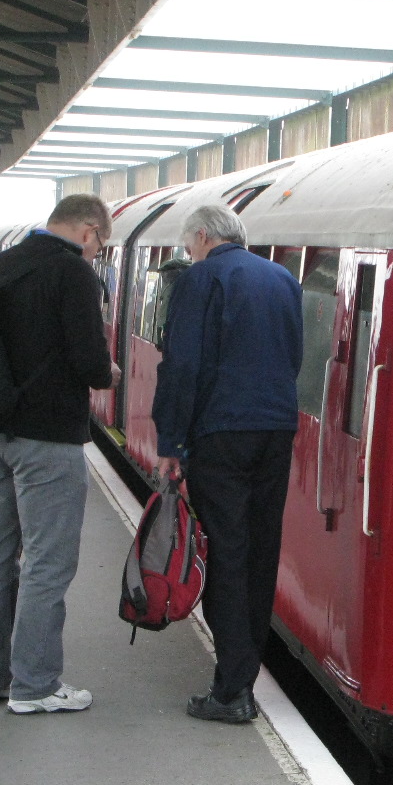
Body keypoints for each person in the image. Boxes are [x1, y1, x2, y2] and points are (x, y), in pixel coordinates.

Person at [152, 203, 302, 724]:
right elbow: (294, 357)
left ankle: (232, 690)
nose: (188, 252)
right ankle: (244, 675)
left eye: (189, 244)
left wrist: (170, 442)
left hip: (223, 435)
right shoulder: (283, 279)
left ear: (201, 236)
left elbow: (183, 364)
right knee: (261, 556)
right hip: (277, 431)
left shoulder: (201, 279)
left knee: (228, 556)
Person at [0, 194, 118, 714]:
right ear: (88, 230)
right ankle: (34, 684)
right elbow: (91, 362)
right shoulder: (74, 275)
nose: (99, 252)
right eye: (102, 242)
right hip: (46, 437)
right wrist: (108, 373)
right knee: (48, 561)